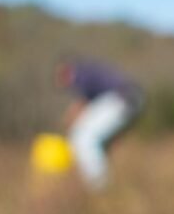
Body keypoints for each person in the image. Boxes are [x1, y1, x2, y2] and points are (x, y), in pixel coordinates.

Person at [57, 57, 143, 189]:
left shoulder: (80, 74)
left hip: (121, 99)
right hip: (131, 101)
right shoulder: (89, 71)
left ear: (66, 71)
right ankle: (106, 182)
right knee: (99, 144)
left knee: (82, 137)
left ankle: (99, 187)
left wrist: (69, 119)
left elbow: (82, 104)